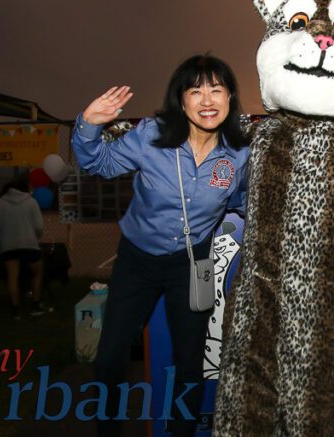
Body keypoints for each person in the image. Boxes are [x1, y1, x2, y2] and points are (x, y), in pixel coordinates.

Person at [72, 54, 249, 436]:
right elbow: (98, 164)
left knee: (190, 363)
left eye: (217, 90)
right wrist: (88, 125)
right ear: (180, 100)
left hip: (191, 263)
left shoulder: (240, 154)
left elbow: (245, 201)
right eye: (195, 90)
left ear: (231, 98)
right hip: (137, 261)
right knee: (109, 359)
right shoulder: (151, 136)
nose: (207, 100)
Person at [0, 174, 49, 319]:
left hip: (8, 246)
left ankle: (15, 309)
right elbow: (39, 226)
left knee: (12, 276)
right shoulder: (31, 202)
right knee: (37, 273)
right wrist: (35, 236)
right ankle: (36, 303)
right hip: (29, 244)